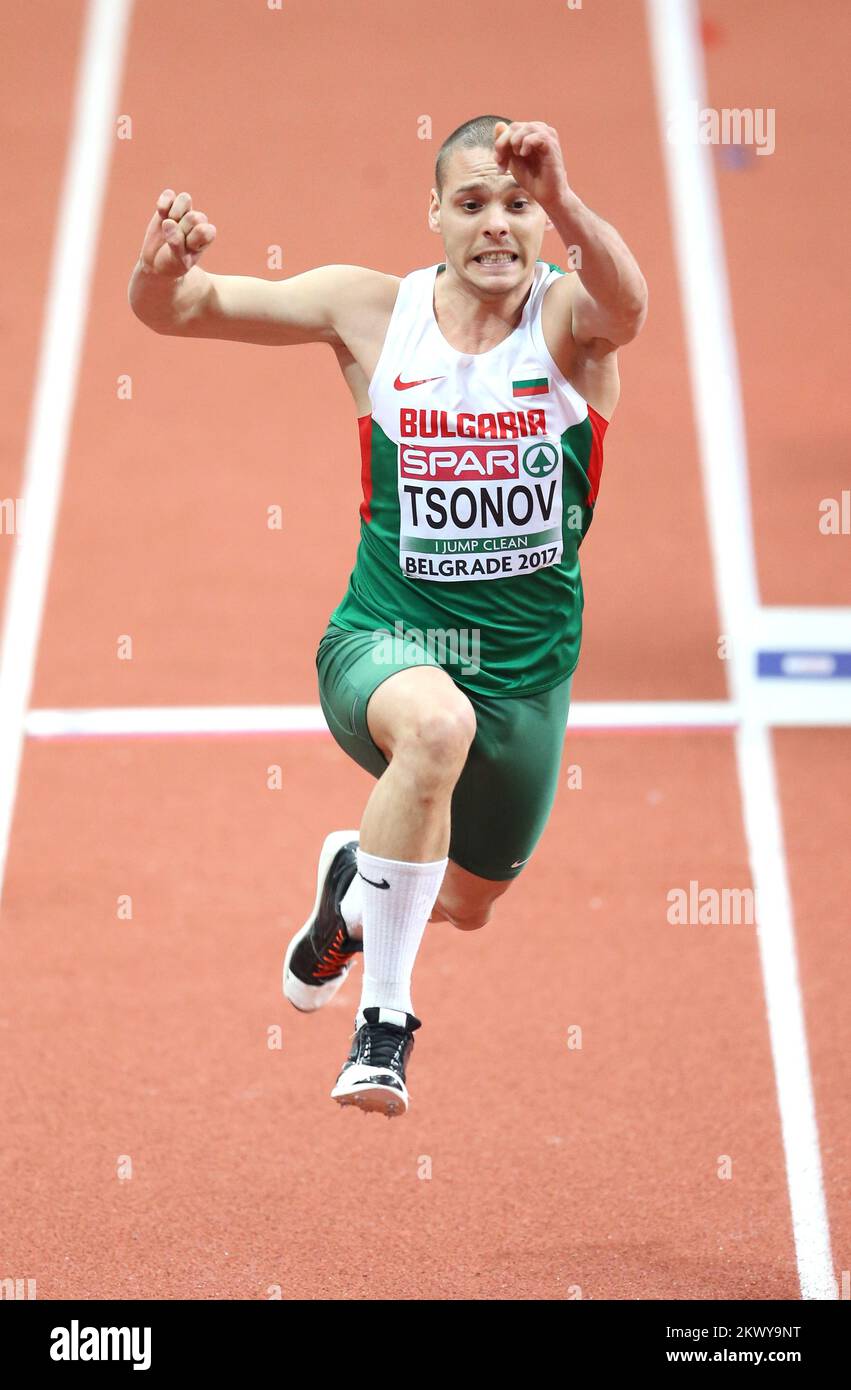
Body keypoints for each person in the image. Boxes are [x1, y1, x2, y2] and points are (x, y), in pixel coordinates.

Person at [128, 116, 647, 1119]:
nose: (495, 225)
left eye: (517, 204)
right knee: (433, 727)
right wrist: (159, 271)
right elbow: (182, 310)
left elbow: (629, 303)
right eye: (469, 205)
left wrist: (573, 199)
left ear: (543, 219)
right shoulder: (372, 311)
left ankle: (354, 893)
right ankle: (384, 1025)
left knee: (467, 903)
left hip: (524, 676)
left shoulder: (571, 325)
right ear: (433, 216)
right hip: (385, 641)